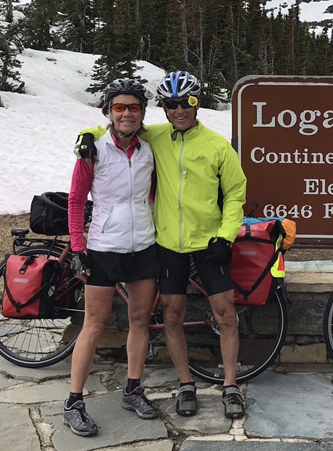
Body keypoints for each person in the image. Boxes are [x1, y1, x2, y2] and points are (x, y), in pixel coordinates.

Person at [75, 70, 248, 419]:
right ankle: (186, 384)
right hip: (168, 243)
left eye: (188, 102)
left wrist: (225, 235)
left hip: (209, 242)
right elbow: (114, 127)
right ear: (165, 109)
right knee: (171, 315)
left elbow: (235, 195)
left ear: (198, 104)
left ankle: (230, 386)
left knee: (226, 315)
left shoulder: (217, 146)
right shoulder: (156, 136)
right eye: (172, 104)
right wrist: (85, 135)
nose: (180, 110)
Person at [63, 79, 160, 437]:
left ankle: (133, 388)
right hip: (103, 248)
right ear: (108, 112)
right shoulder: (93, 151)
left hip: (144, 246)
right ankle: (74, 401)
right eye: (119, 107)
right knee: (95, 323)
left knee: (140, 320)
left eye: (133, 107)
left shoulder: (150, 149)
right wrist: (77, 246)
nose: (126, 113)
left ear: (142, 113)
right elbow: (76, 200)